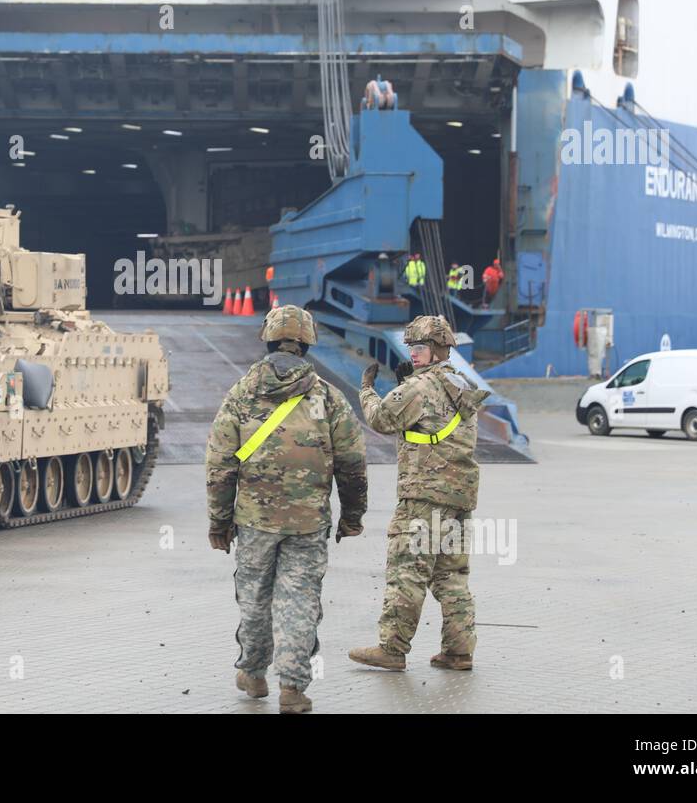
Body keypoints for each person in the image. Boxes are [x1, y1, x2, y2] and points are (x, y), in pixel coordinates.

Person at [205, 305, 368, 713]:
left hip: (255, 521)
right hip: (309, 522)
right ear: (307, 343)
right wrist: (352, 516)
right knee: (299, 600)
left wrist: (219, 522)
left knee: (255, 598)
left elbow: (221, 464)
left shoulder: (242, 393)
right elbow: (352, 463)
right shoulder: (328, 398)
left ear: (267, 338)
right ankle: (293, 689)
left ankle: (254, 674)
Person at [348, 315, 489, 673]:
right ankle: (459, 651)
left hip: (423, 495)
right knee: (451, 576)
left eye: (421, 348)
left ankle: (392, 649)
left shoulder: (420, 387)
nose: (414, 354)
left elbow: (380, 420)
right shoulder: (462, 384)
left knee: (407, 570)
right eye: (411, 347)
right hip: (458, 497)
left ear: (439, 349)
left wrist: (366, 389)